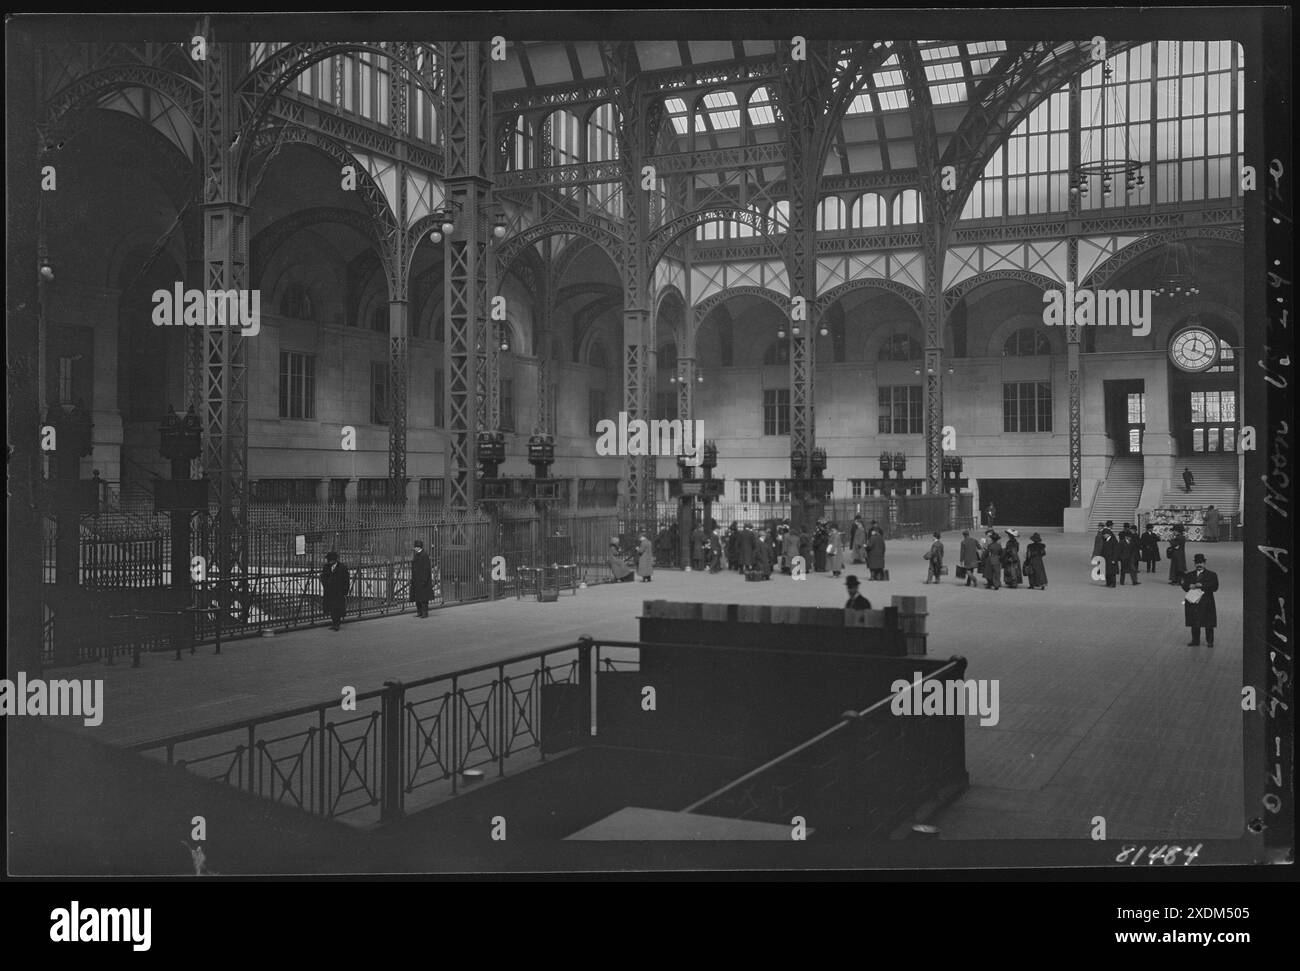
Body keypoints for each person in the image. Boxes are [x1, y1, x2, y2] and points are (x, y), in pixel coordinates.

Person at [1181, 553, 1219, 647]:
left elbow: (1215, 587)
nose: (1199, 565)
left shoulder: (1212, 575)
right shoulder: (1189, 575)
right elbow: (1184, 585)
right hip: (1193, 602)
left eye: (1201, 563)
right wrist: (1188, 586)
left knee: (1208, 623)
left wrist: (1202, 585)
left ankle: (1210, 641)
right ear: (1194, 564)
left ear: (1204, 563)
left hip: (1207, 602)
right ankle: (1195, 640)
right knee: (1194, 621)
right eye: (1197, 563)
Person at [320, 550, 350, 631]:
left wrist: (345, 591)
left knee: (337, 608)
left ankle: (337, 623)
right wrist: (326, 584)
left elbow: (346, 580)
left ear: (335, 560)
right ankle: (334, 623)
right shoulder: (326, 567)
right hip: (329, 591)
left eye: (331, 559)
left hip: (338, 591)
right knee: (331, 608)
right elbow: (323, 578)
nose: (329, 561)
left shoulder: (342, 568)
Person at [411, 539, 433, 617]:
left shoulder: (424, 555)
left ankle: (424, 613)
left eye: (415, 547)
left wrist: (424, 580)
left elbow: (426, 569)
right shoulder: (418, 554)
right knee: (418, 598)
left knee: (423, 598)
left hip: (422, 580)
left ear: (418, 547)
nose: (414, 549)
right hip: (417, 579)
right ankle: (420, 612)